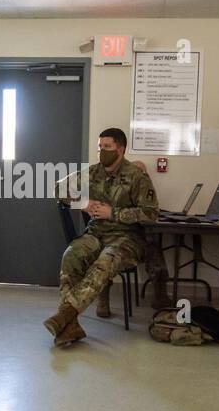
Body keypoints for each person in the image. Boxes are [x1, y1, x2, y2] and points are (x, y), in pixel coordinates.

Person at [44, 129, 159, 346]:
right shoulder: (93, 172)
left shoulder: (137, 176)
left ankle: (65, 316)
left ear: (121, 149)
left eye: (107, 147)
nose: (101, 152)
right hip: (97, 233)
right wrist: (83, 204)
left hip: (127, 238)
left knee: (105, 261)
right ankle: (70, 325)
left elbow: (151, 213)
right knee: (71, 255)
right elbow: (58, 188)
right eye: (100, 147)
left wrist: (113, 213)